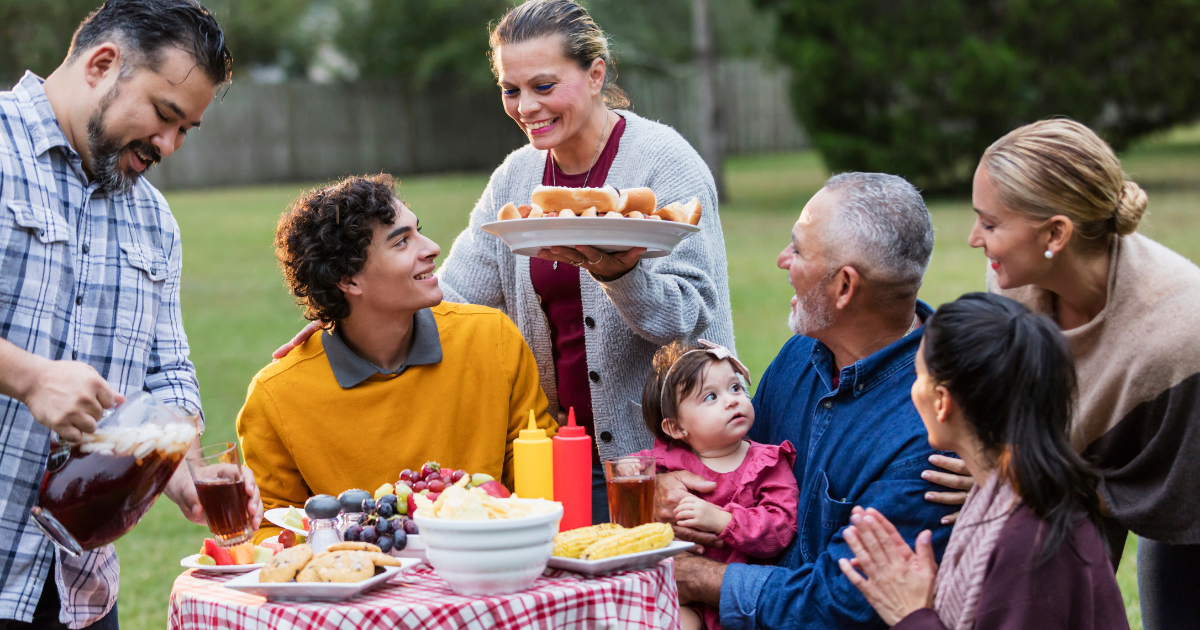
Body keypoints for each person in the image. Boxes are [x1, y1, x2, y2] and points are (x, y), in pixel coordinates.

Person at [272, 0, 736, 523]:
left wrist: (619, 274)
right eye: (510, 91)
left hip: (669, 455)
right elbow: (450, 295)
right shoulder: (516, 178)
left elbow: (690, 322)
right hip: (560, 456)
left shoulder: (664, 163)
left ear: (595, 75)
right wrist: (344, 323)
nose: (525, 107)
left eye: (543, 86)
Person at [0, 2, 261, 628]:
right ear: (102, 64)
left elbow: (168, 375)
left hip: (76, 596)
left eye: (186, 130)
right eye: (164, 116)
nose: (168, 145)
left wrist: (184, 470)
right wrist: (28, 377)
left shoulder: (153, 220)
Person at [666, 173, 969, 629]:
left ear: (845, 286)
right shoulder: (800, 354)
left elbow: (844, 602)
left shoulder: (929, 430)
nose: (781, 259)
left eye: (799, 250)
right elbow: (737, 466)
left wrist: (700, 578)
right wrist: (668, 482)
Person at [970, 118, 1200, 629]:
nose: (973, 240)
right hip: (1077, 478)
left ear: (1056, 233)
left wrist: (1034, 472)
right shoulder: (1014, 283)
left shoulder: (1180, 334)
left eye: (989, 225)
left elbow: (1172, 498)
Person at [239, 174, 555, 543]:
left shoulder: (493, 341)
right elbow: (272, 532)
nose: (433, 247)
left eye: (417, 231)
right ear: (349, 279)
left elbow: (540, 485)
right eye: (402, 241)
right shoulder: (275, 397)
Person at [838, 292, 1128, 630]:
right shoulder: (1026, 495)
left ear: (943, 402)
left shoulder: (1028, 543)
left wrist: (913, 616)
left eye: (918, 376)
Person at [634, 340, 799, 630]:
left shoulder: (766, 464)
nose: (732, 400)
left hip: (733, 600)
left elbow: (781, 527)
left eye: (735, 387)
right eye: (710, 396)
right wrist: (648, 492)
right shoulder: (663, 463)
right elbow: (623, 485)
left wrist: (722, 519)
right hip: (676, 594)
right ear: (675, 427)